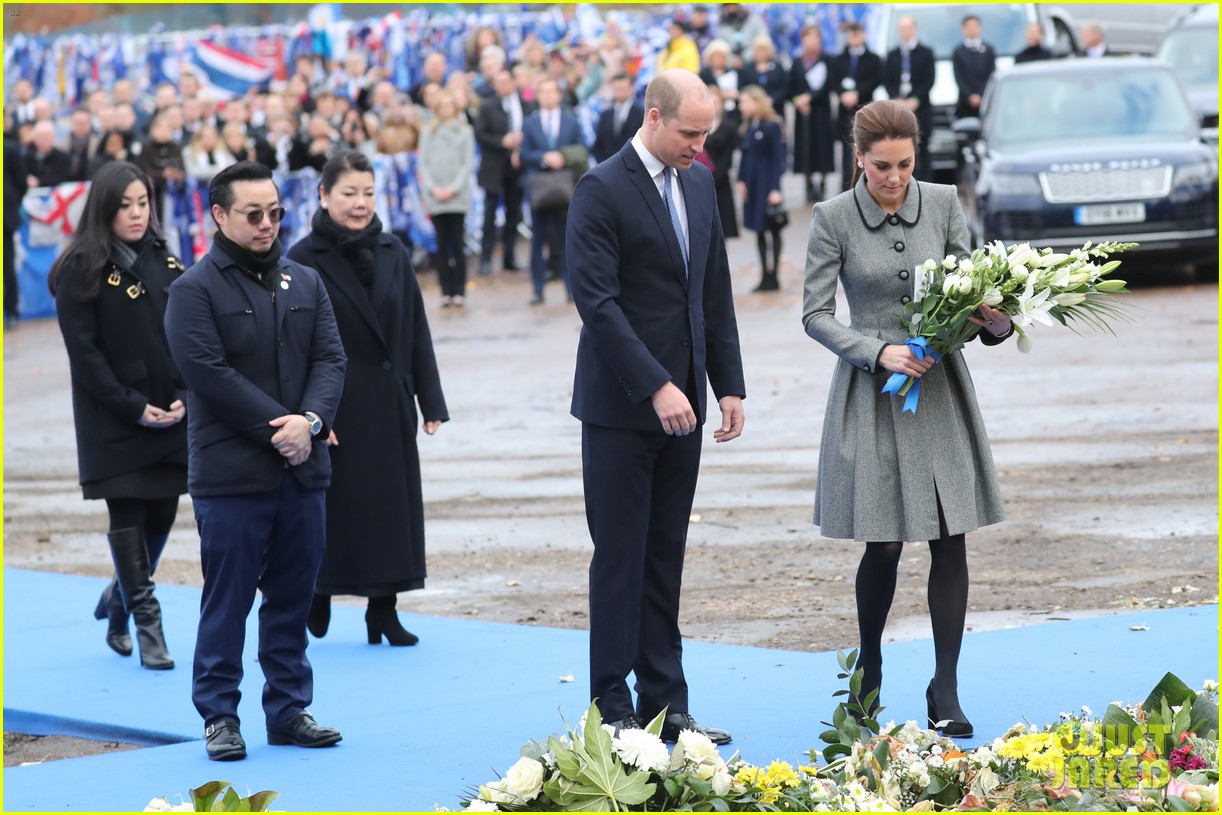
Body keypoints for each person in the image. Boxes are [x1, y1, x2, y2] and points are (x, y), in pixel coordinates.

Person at [801, 99, 1013, 739]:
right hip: (873, 392)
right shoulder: (832, 218)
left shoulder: (945, 203)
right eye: (882, 167)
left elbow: (974, 297)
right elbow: (815, 314)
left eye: (905, 165)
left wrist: (995, 320)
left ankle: (944, 686)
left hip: (940, 389)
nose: (894, 178)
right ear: (859, 158)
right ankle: (869, 667)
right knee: (885, 541)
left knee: (950, 538)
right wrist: (875, 350)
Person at [566, 68, 745, 745]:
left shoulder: (699, 181)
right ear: (653, 117)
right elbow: (598, 303)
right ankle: (611, 704)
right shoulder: (600, 188)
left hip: (689, 409)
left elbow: (713, 291)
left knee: (666, 553)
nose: (699, 146)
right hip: (620, 410)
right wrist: (656, 383)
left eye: (706, 133)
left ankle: (666, 702)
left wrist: (727, 383)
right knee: (620, 556)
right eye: (690, 133)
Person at [164, 161, 346, 761]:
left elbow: (330, 361)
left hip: (303, 469)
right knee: (229, 600)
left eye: (275, 213)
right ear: (219, 216)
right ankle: (219, 715)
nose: (268, 224)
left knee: (293, 596)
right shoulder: (193, 291)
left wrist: (311, 424)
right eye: (253, 214)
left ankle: (289, 708)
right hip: (232, 476)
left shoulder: (307, 282)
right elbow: (209, 377)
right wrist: (283, 429)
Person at [286, 150, 449, 646]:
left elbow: (416, 327)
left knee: (391, 510)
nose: (360, 204)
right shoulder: (301, 258)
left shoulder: (393, 250)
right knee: (335, 507)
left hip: (389, 399)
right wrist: (309, 411)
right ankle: (320, 591)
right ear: (324, 196)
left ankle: (385, 609)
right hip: (335, 404)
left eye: (368, 193)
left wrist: (430, 399)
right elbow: (292, 345)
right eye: (348, 194)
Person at [47, 160, 187, 670]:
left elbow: (187, 336)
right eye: (124, 205)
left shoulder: (166, 260)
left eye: (142, 203)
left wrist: (184, 396)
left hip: (171, 413)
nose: (135, 214)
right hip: (115, 419)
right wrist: (133, 408)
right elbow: (85, 357)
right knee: (128, 513)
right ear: (103, 208)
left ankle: (119, 597)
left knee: (164, 516)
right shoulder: (78, 268)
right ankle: (147, 623)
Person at [521, 78, 584, 306]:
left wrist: (562, 157)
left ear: (559, 95)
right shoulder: (530, 123)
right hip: (538, 188)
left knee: (567, 239)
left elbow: (581, 149)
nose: (547, 96)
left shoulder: (571, 121)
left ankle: (571, 288)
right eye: (543, 92)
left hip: (564, 187)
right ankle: (537, 289)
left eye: (551, 91)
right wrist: (543, 158)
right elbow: (524, 153)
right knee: (537, 240)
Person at [417, 90, 475, 307]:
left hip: (456, 196)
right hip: (436, 196)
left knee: (457, 244)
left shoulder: (464, 131)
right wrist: (434, 188)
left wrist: (453, 188)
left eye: (450, 106)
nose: (446, 110)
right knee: (441, 245)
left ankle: (459, 289)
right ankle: (445, 290)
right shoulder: (428, 132)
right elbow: (424, 163)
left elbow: (466, 164)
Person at [475, 70, 534, 276]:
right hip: (494, 167)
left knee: (513, 214)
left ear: (514, 82)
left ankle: (510, 258)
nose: (501, 86)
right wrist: (502, 141)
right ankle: (485, 260)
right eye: (497, 82)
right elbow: (480, 133)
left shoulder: (526, 106)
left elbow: (532, 131)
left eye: (505, 81)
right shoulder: (488, 106)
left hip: (517, 168)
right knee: (489, 215)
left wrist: (521, 147)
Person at [737, 85, 786, 293]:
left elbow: (779, 159)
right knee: (758, 228)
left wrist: (775, 188)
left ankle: (773, 276)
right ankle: (763, 276)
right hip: (752, 182)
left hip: (766, 182)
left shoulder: (772, 126)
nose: (741, 106)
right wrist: (740, 180)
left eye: (745, 101)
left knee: (771, 227)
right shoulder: (749, 125)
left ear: (757, 102)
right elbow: (745, 156)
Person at [830, 22, 883, 193]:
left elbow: (876, 79)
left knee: (866, 146)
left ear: (863, 35)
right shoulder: (839, 59)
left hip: (864, 107)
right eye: (851, 35)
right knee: (847, 150)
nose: (854, 38)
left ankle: (866, 185)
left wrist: (858, 93)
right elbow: (834, 80)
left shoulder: (873, 59)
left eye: (857, 34)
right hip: (845, 110)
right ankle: (846, 187)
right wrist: (842, 94)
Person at [788, 24, 837, 203]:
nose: (811, 41)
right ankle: (808, 184)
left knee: (822, 148)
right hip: (803, 114)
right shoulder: (797, 62)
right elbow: (790, 88)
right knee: (805, 149)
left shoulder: (827, 60)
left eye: (815, 37)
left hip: (821, 112)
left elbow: (829, 84)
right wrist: (798, 101)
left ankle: (822, 183)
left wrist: (810, 97)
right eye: (808, 37)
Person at [884, 16, 935, 182]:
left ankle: (926, 181)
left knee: (923, 144)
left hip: (920, 107)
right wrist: (896, 99)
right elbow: (887, 80)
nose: (904, 32)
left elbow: (929, 79)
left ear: (914, 29)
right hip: (899, 108)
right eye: (902, 29)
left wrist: (916, 99)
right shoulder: (892, 55)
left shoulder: (926, 53)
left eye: (907, 28)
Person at [697, 83, 740, 240]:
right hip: (698, 178)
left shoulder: (729, 127)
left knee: (723, 226)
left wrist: (716, 176)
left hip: (721, 180)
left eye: (717, 101)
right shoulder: (697, 125)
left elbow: (729, 156)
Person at [4, 109, 28, 329]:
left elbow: (21, 182)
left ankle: (11, 311)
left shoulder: (10, 149)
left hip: (5, 218)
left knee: (7, 266)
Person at [592, 73, 644, 165]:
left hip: (634, 166)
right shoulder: (606, 115)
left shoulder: (641, 113)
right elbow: (598, 145)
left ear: (631, 89)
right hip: (608, 167)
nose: (620, 92)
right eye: (617, 89)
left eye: (623, 88)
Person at [952, 15, 996, 121]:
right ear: (963, 30)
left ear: (980, 28)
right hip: (965, 102)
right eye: (969, 26)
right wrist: (970, 96)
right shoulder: (958, 52)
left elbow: (991, 74)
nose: (972, 29)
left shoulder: (989, 50)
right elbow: (959, 77)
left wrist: (981, 94)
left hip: (986, 98)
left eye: (975, 26)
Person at [738, 36, 789, 117]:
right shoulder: (747, 68)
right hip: (752, 111)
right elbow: (742, 88)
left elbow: (784, 88)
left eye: (764, 50)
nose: (761, 53)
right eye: (758, 50)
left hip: (775, 108)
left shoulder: (778, 67)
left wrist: (772, 99)